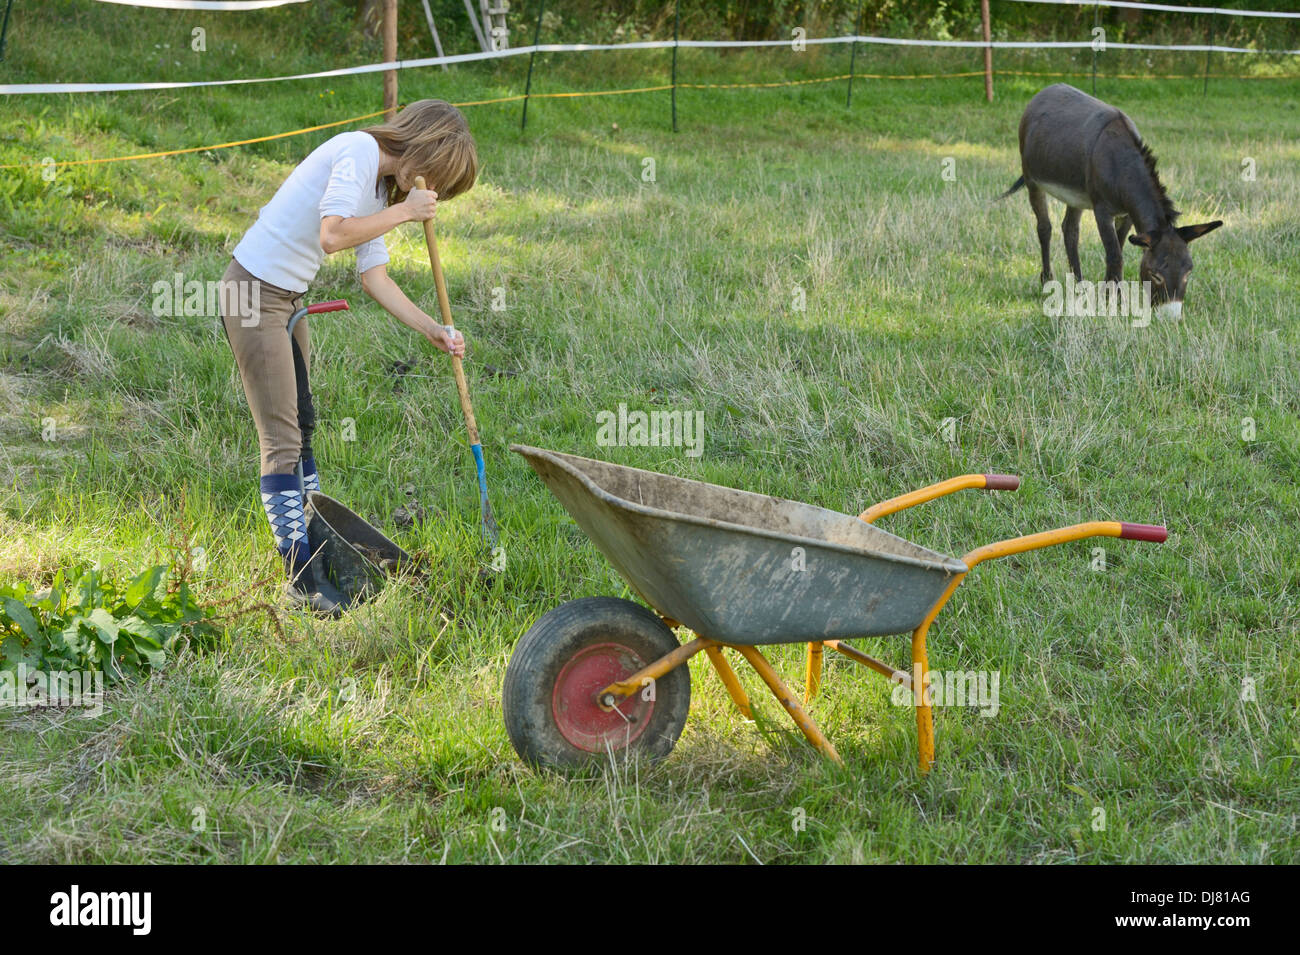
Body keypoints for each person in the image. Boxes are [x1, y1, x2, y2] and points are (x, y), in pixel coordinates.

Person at [219, 99, 478, 615]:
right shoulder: (359, 151)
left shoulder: (381, 187)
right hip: (252, 294)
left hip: (288, 299)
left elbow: (373, 276)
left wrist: (433, 329)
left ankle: (322, 546)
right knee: (282, 438)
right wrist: (405, 212)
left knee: (305, 425)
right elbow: (332, 235)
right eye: (437, 182)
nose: (427, 195)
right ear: (423, 150)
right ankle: (301, 577)